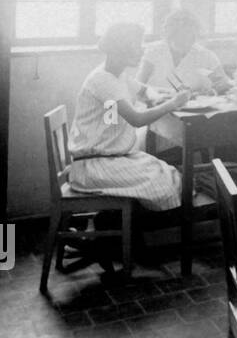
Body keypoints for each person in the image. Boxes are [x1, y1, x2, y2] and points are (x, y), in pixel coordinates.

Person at [67, 22, 191, 211]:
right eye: (136, 46)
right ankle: (121, 225)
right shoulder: (103, 80)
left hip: (108, 158)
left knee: (168, 172)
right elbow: (137, 119)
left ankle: (122, 224)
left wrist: (160, 95)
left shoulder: (116, 75)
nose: (141, 52)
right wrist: (173, 103)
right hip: (95, 166)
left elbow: (144, 90)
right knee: (164, 184)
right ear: (120, 49)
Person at [138, 9, 230, 94]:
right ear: (169, 35)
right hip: (157, 105)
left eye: (189, 35)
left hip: (195, 106)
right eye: (179, 35)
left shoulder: (207, 56)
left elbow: (224, 83)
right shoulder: (154, 51)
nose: (184, 41)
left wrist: (215, 89)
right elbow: (138, 85)